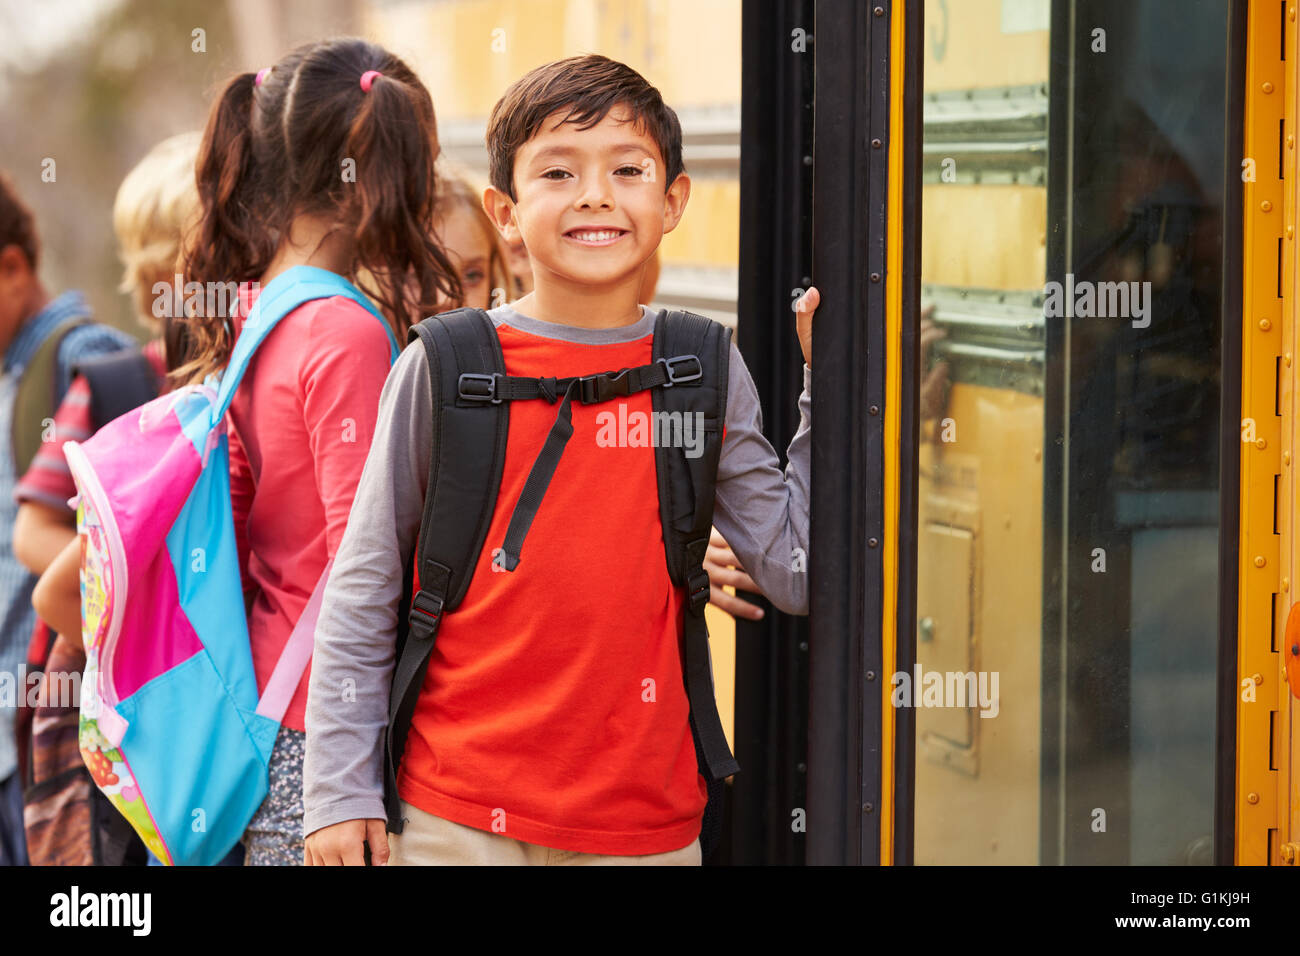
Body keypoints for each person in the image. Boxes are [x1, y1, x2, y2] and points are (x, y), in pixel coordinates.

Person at [302, 53, 817, 866]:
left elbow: (793, 570)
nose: (595, 195)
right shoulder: (444, 364)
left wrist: (827, 386)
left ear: (674, 200)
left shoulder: (705, 366)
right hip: (452, 813)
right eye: (557, 172)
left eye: (627, 169)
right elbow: (364, 587)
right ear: (505, 211)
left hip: (640, 824)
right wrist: (340, 790)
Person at [175, 38, 462, 867]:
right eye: (422, 167)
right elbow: (361, 563)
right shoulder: (342, 330)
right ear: (372, 173)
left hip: (275, 700)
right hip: (325, 733)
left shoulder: (269, 306)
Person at [13, 133, 202, 867]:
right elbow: (33, 533)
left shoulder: (256, 382)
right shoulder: (116, 382)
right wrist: (125, 577)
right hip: (110, 691)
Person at [0, 171, 137, 866]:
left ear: (14, 266)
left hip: (59, 734)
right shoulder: (14, 378)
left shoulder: (85, 362)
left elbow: (122, 546)